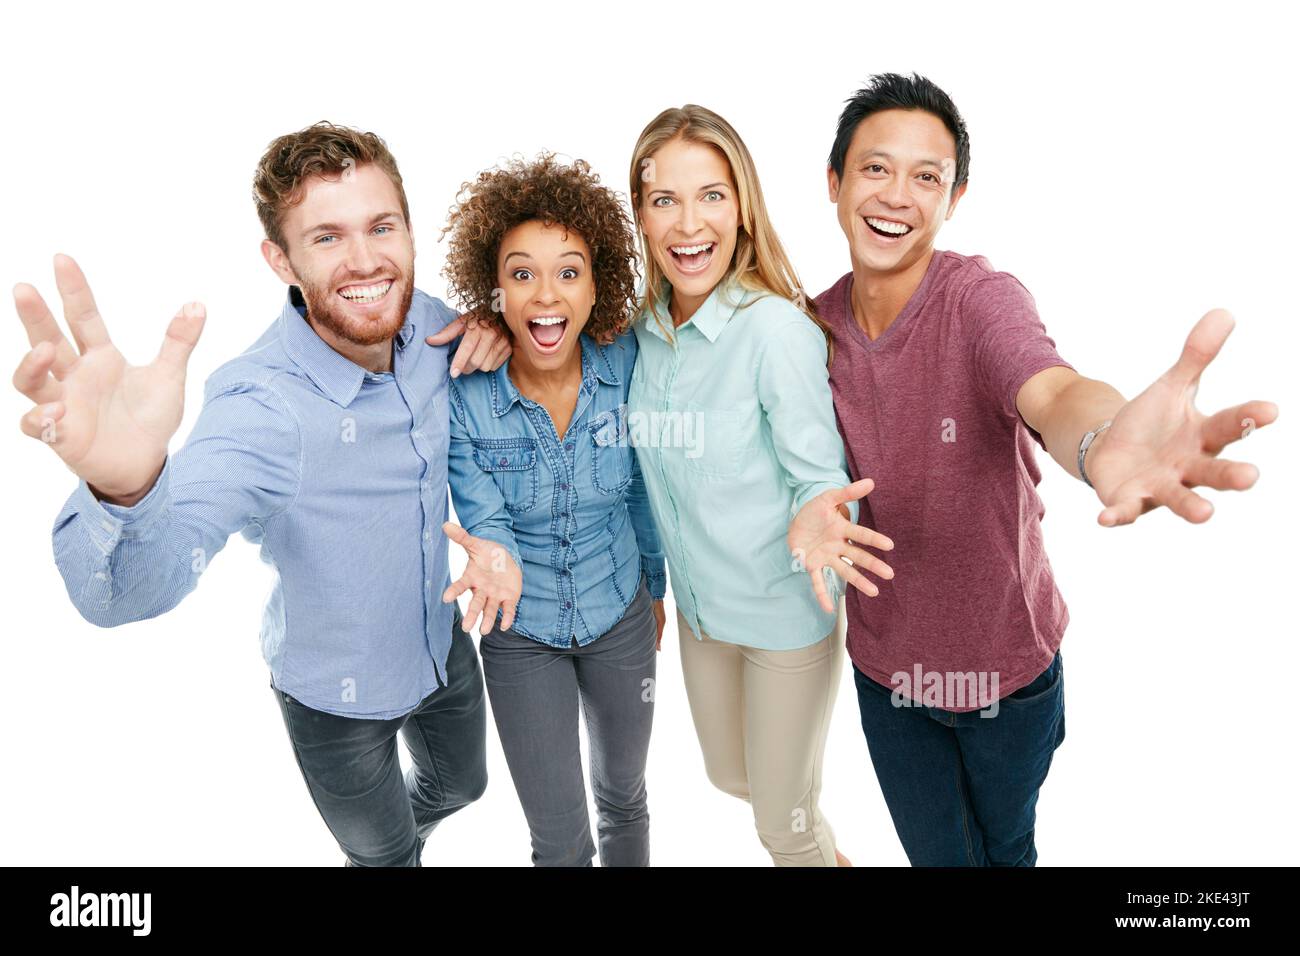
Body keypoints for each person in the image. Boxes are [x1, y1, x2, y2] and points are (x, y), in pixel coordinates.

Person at [11, 121, 511, 866]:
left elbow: (490, 366)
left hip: (439, 650)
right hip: (332, 704)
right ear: (280, 259)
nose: (367, 260)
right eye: (327, 238)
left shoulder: (432, 325)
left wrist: (499, 332)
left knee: (463, 787)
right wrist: (127, 488)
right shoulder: (260, 405)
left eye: (382, 227)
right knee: (384, 856)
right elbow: (127, 592)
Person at [819, 72, 1279, 865]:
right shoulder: (810, 328)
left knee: (1009, 851)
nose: (898, 195)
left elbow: (1053, 387)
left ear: (954, 198)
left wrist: (1102, 442)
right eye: (875, 168)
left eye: (926, 176)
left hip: (1009, 677)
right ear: (834, 182)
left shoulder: (980, 301)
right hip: (887, 677)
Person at [624, 105, 894, 867]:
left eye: (711, 194)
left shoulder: (775, 331)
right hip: (704, 614)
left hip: (784, 613)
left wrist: (820, 511)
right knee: (728, 774)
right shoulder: (642, 331)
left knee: (782, 827)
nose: (688, 223)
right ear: (640, 215)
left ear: (742, 208)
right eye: (664, 199)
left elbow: (819, 475)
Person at [437, 153, 666, 867]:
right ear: (494, 291)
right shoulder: (465, 397)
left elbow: (644, 493)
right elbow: (486, 519)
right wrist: (496, 560)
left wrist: (655, 590)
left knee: (625, 797)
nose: (546, 294)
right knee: (560, 843)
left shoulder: (629, 365)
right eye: (521, 273)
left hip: (620, 614)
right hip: (519, 631)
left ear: (598, 287)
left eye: (569, 271)